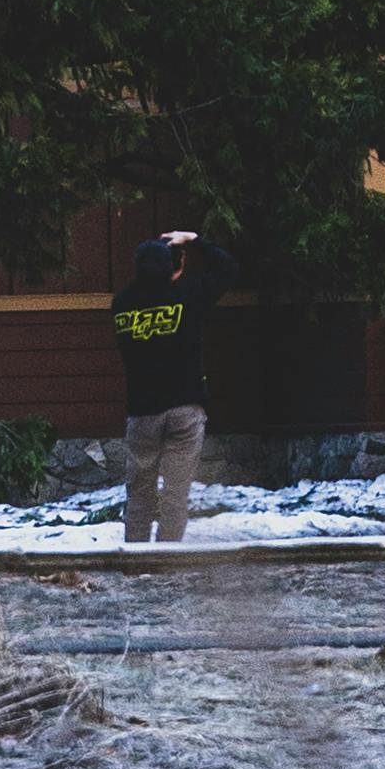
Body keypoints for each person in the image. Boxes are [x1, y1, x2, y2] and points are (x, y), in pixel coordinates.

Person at [110, 221, 218, 545]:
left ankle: (137, 555)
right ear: (177, 266)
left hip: (142, 409)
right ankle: (167, 556)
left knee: (139, 491)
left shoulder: (122, 304)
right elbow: (228, 267)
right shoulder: (188, 295)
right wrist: (195, 240)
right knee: (176, 490)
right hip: (185, 406)